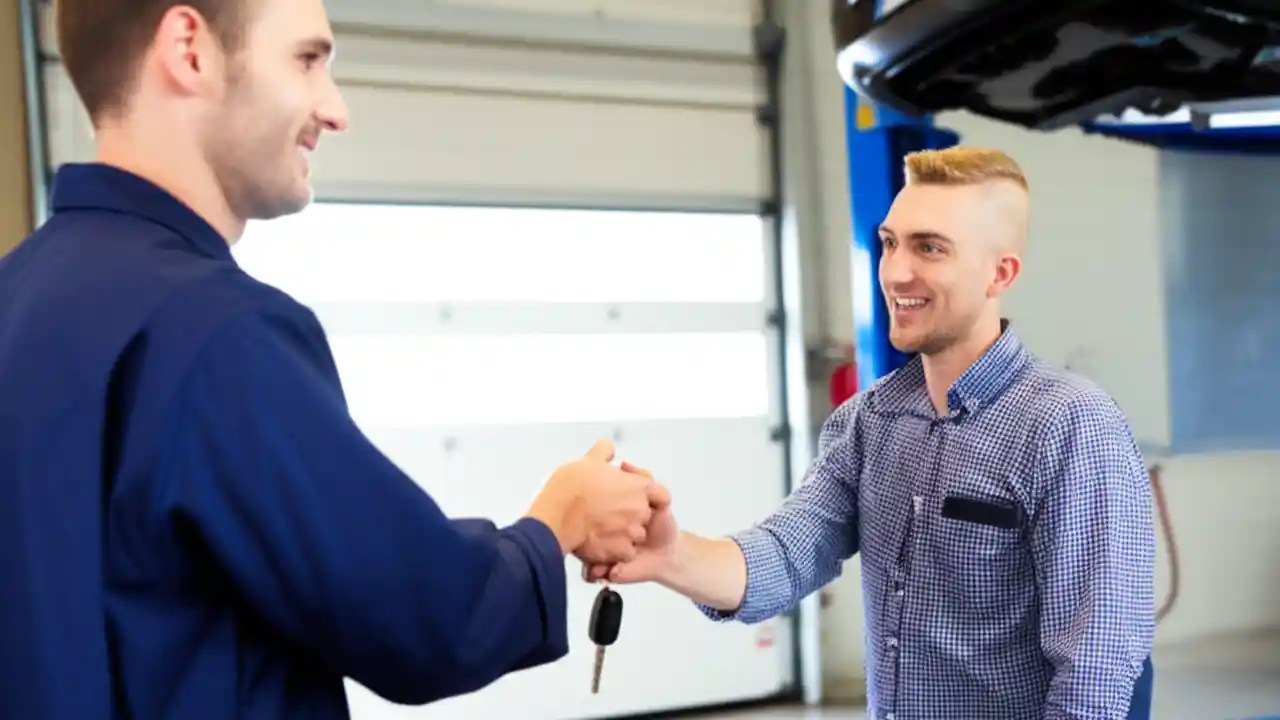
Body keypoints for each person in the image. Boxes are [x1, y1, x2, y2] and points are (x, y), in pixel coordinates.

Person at [0, 1, 668, 718]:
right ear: (190, 49)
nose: (336, 109)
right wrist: (559, 519)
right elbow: (425, 617)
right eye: (308, 60)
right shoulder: (216, 333)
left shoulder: (17, 295)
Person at [588, 147, 1157, 719]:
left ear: (999, 273)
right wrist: (671, 555)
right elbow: (785, 555)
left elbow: (1096, 670)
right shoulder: (869, 422)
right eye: (890, 243)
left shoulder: (1071, 426)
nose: (895, 271)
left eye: (929, 248)